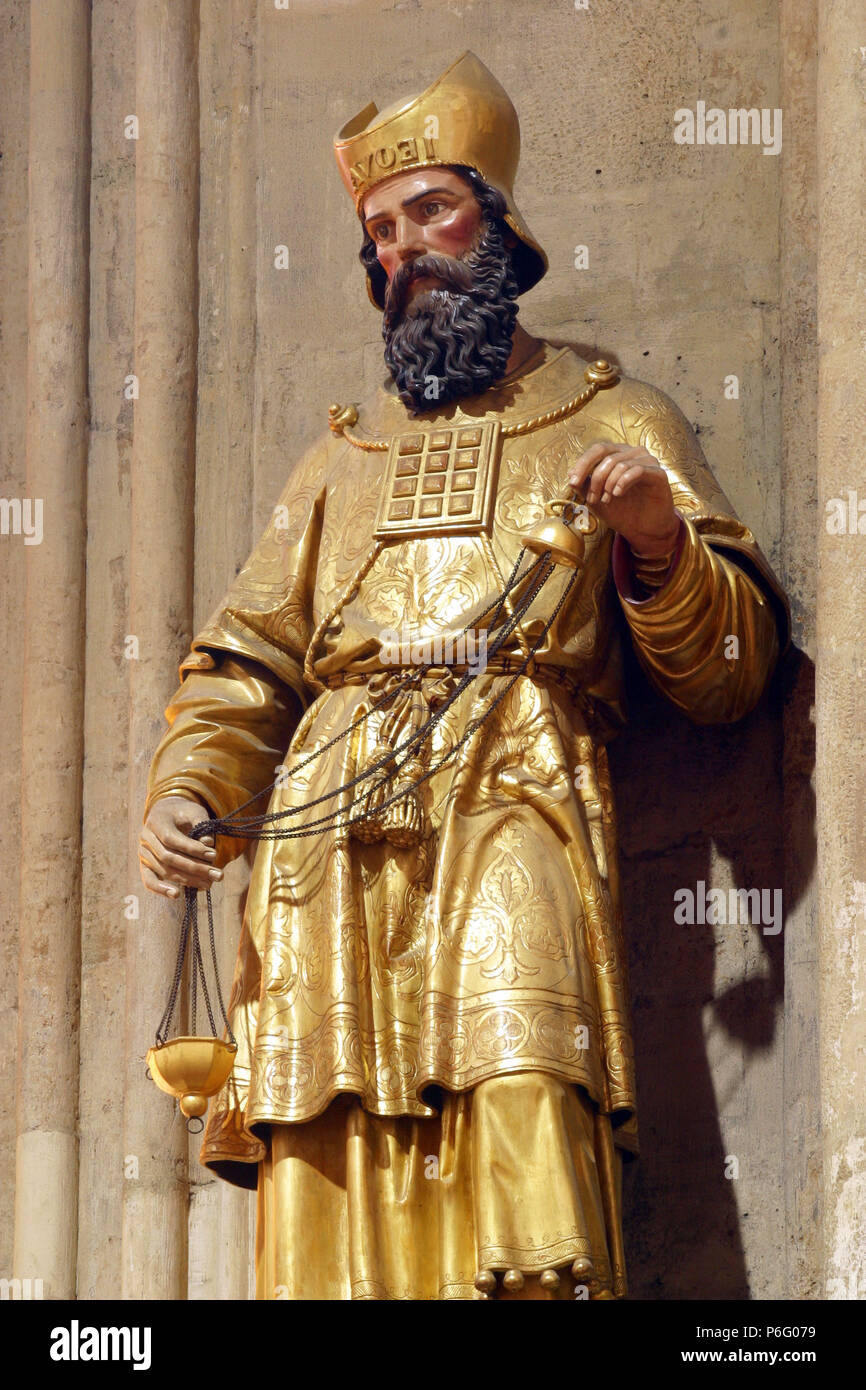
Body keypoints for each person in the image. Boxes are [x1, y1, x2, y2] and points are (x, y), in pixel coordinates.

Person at [140, 51, 789, 1300]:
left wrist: (656, 543)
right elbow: (246, 658)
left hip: (516, 792)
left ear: (493, 222)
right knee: (328, 1131)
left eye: (428, 212)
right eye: (379, 233)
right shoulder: (340, 459)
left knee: (522, 1065)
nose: (403, 252)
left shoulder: (616, 411)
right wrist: (189, 787)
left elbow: (729, 674)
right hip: (328, 848)